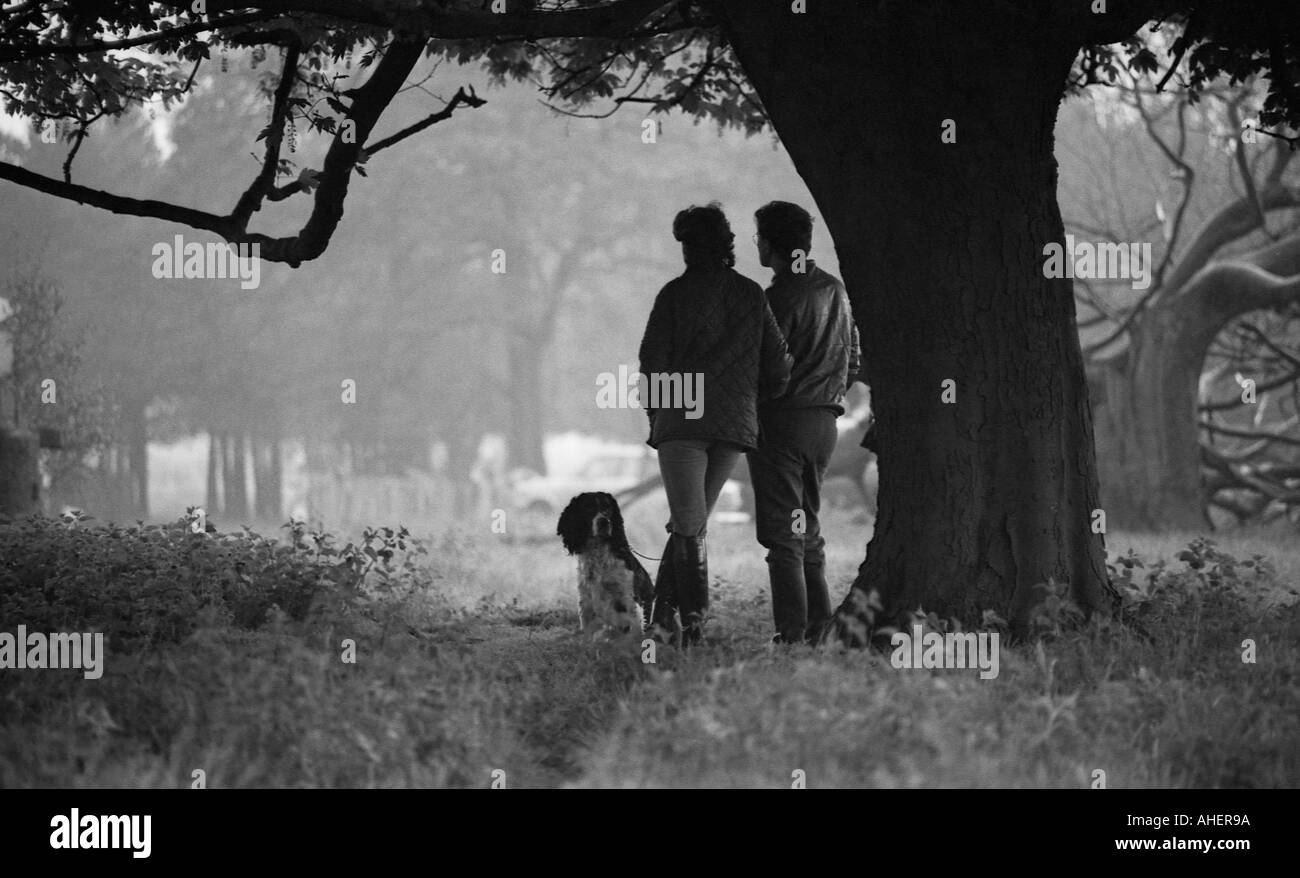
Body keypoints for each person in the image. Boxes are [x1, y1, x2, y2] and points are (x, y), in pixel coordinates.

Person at [638, 202, 792, 646]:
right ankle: (665, 616)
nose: (685, 251)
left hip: (682, 425)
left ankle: (692, 629)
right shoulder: (751, 294)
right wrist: (752, 399)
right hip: (732, 428)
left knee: (689, 524)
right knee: (692, 521)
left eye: (687, 243)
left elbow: (652, 364)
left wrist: (658, 416)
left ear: (694, 247)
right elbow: (778, 364)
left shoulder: (673, 295)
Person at [747, 201, 860, 644]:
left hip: (782, 425)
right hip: (825, 425)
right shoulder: (836, 290)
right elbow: (853, 359)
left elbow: (767, 369)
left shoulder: (774, 300)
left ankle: (791, 636)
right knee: (807, 528)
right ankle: (819, 628)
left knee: (783, 535)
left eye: (759, 238)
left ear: (771, 244)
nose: (756, 244)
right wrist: (828, 395)